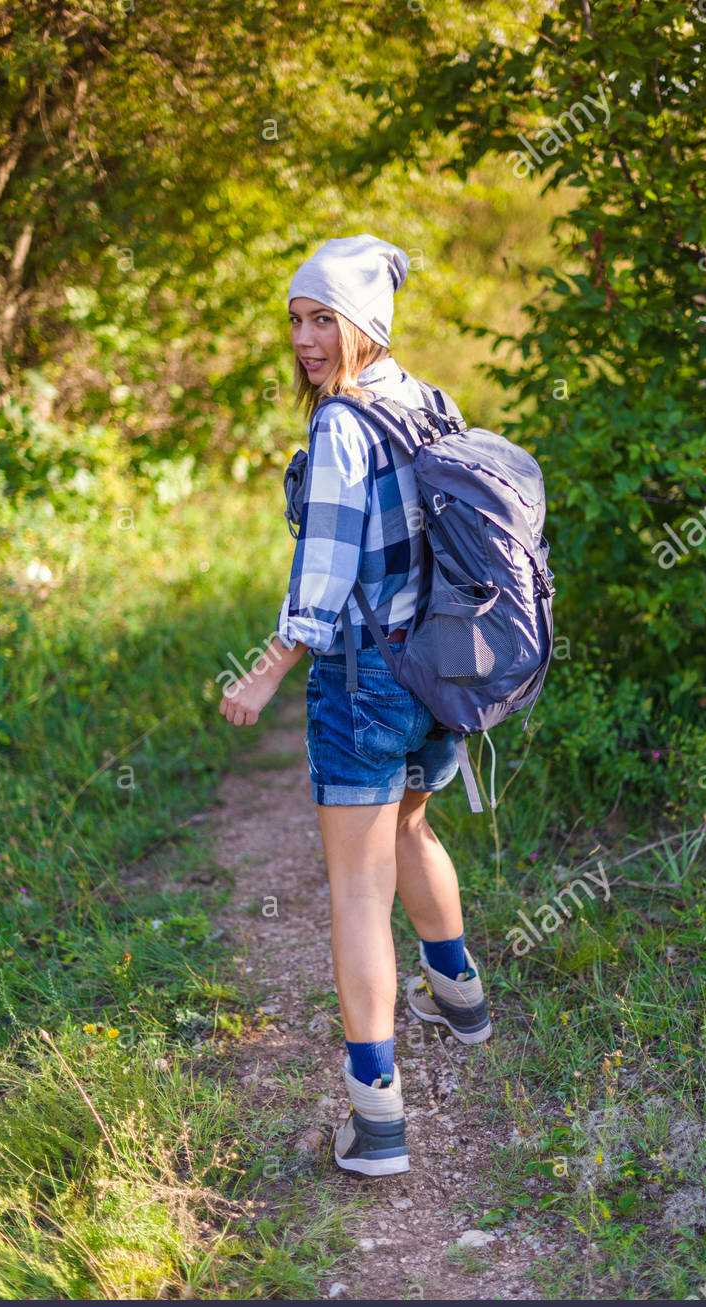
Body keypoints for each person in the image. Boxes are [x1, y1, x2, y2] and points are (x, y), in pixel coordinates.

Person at [219, 233, 491, 1178]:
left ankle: (376, 1125)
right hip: (435, 672)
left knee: (355, 892)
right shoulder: (427, 400)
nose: (303, 338)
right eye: (295, 319)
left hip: (367, 679)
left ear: (363, 324)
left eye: (322, 318)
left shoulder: (341, 424)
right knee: (413, 831)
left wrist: (264, 670)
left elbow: (325, 577)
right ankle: (460, 1000)